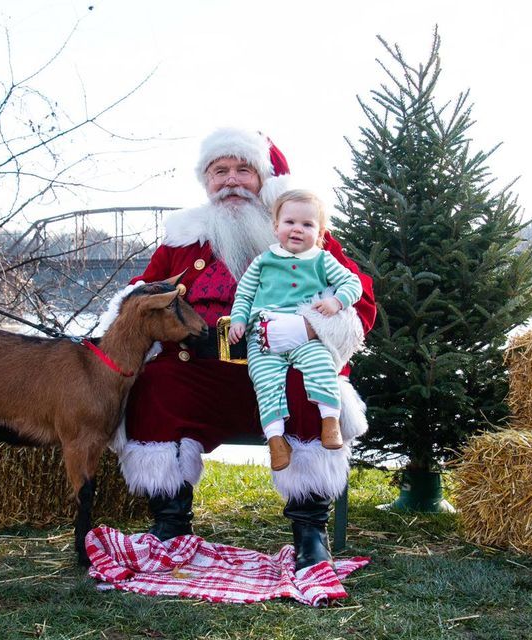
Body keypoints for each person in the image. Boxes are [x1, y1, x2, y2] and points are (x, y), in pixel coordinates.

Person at [108, 127, 376, 572]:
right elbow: (140, 295)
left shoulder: (304, 231)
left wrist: (305, 326)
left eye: (243, 170)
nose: (230, 181)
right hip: (201, 373)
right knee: (155, 384)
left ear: (266, 180)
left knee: (308, 384)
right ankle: (170, 524)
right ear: (206, 181)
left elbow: (360, 300)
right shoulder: (182, 241)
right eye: (219, 172)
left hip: (280, 364)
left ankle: (310, 531)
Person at [228, 189, 363, 472]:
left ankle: (330, 422)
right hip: (264, 336)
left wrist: (336, 301)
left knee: (322, 365)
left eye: (307, 225)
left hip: (304, 334)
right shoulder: (263, 261)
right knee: (266, 382)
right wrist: (239, 320)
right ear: (276, 227)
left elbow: (353, 284)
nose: (297, 230)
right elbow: (244, 295)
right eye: (290, 222)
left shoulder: (322, 260)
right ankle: (277, 441)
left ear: (320, 232)